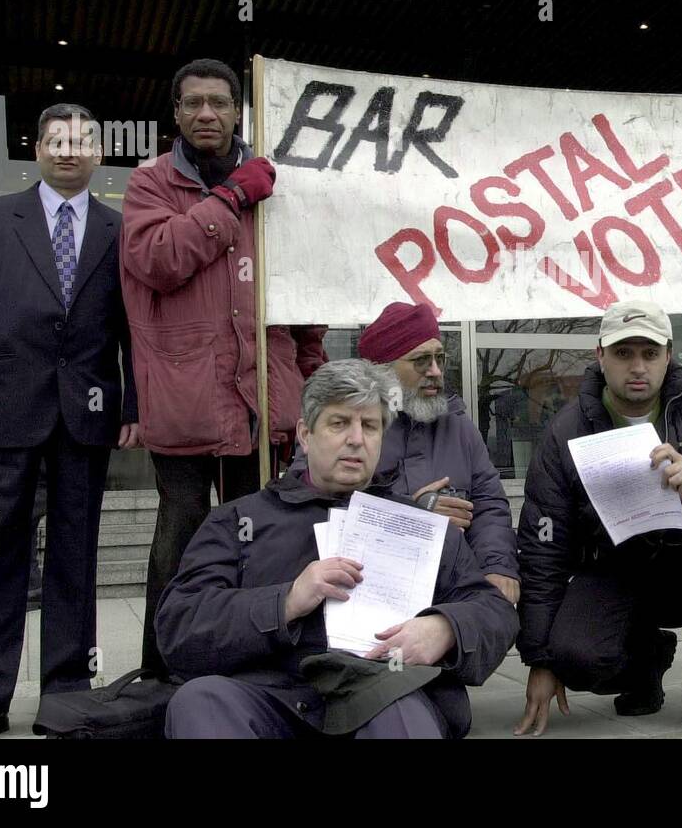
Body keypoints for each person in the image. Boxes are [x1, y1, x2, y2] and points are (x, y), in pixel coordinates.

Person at [156, 359, 518, 738]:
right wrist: (285, 602)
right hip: (269, 698)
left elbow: (495, 611)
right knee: (200, 702)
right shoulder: (238, 522)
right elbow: (178, 625)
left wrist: (445, 629)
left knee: (401, 714)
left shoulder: (419, 525)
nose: (356, 439)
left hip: (384, 691)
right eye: (339, 423)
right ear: (305, 434)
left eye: (370, 426)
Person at [0, 104, 138, 739]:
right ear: (39, 149)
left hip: (87, 416)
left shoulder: (120, 228)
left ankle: (67, 693)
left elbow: (135, 328)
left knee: (76, 558)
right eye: (57, 141)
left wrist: (132, 406)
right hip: (0, 416)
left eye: (82, 141)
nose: (69, 151)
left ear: (100, 154)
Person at [120, 58, 325, 679]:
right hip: (184, 406)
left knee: (261, 544)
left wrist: (309, 379)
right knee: (179, 546)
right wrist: (232, 197)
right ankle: (162, 670)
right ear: (176, 114)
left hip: (263, 404)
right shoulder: (149, 184)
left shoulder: (275, 187)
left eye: (218, 102)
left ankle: (247, 665)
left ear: (239, 110)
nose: (206, 113)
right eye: (192, 104)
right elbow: (158, 260)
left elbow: (299, 297)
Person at [515, 300, 682, 739]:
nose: (638, 367)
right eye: (623, 353)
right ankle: (644, 661)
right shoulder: (567, 428)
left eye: (650, 354)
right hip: (613, 569)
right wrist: (539, 658)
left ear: (668, 356)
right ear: (600, 356)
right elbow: (544, 547)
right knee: (573, 659)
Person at [292, 302, 519, 602]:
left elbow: (489, 503)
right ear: (383, 370)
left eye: (440, 358)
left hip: (454, 595)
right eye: (421, 360)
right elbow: (307, 508)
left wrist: (497, 566)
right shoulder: (340, 425)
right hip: (365, 595)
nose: (436, 371)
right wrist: (412, 516)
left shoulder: (459, 425)